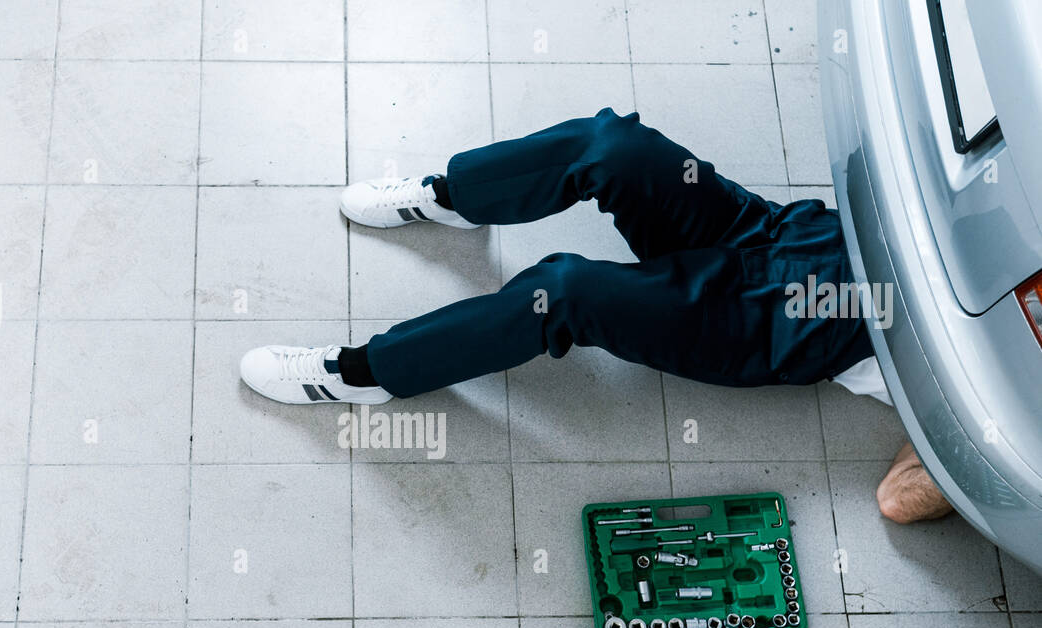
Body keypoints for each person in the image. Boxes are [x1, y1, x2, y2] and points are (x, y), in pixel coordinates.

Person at [238, 108, 952, 525]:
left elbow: (899, 497)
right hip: (771, 231)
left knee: (565, 292)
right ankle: (455, 198)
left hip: (765, 320)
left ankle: (365, 374)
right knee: (612, 147)